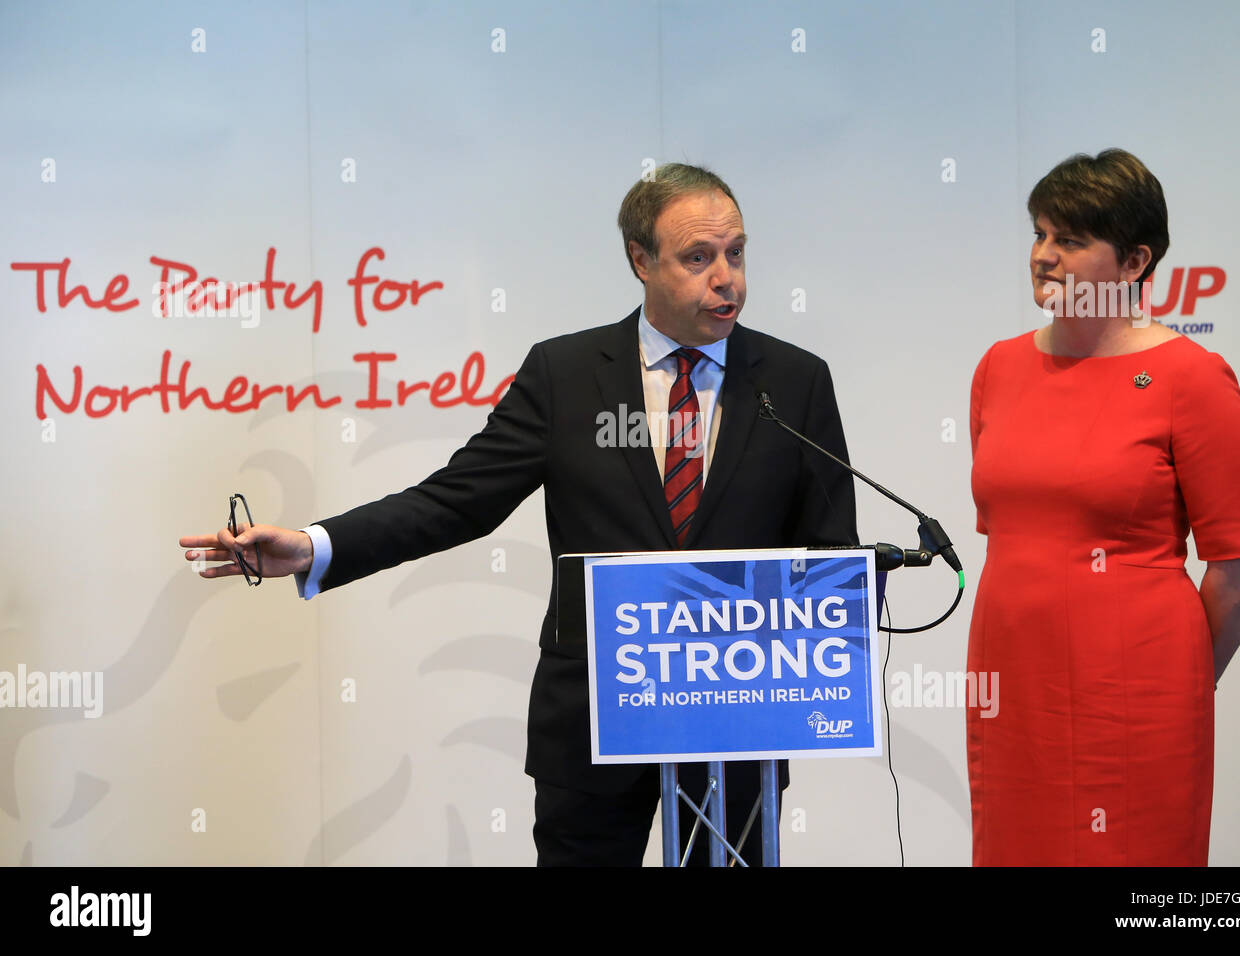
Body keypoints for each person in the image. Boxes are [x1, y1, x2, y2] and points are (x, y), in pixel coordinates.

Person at [180, 163, 858, 866]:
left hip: (735, 725)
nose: (728, 278)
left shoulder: (794, 382)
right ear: (640, 261)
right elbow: (454, 501)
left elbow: (831, 551)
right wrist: (316, 544)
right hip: (594, 725)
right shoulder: (566, 375)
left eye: (736, 253)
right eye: (698, 258)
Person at [967, 148, 1240, 866]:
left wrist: (1182, 682)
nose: (1043, 256)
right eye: (1039, 233)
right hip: (1011, 686)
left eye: (1069, 240)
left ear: (1135, 262)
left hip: (1138, 690)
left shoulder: (1190, 377)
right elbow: (1015, 535)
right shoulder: (999, 367)